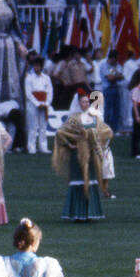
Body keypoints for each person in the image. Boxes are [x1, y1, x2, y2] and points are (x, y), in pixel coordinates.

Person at [52, 89, 111, 223]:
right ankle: (77, 213)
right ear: (79, 104)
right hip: (77, 156)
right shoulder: (74, 119)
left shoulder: (95, 118)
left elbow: (105, 132)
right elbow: (60, 132)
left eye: (86, 102)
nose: (84, 104)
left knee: (90, 182)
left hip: (90, 156)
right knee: (78, 183)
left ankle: (90, 213)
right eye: (82, 102)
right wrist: (69, 145)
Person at [87, 90, 117, 198]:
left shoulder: (100, 109)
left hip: (103, 143)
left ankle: (105, 191)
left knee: (107, 167)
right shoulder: (90, 111)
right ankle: (94, 191)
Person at [24, 55, 53, 155]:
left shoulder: (46, 78)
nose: (36, 67)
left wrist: (46, 103)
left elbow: (50, 92)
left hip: (44, 103)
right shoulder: (29, 78)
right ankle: (31, 147)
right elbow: (28, 93)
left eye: (38, 66)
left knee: (43, 126)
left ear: (41, 66)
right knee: (33, 126)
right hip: (33, 104)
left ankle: (43, 147)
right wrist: (37, 104)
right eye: (34, 65)